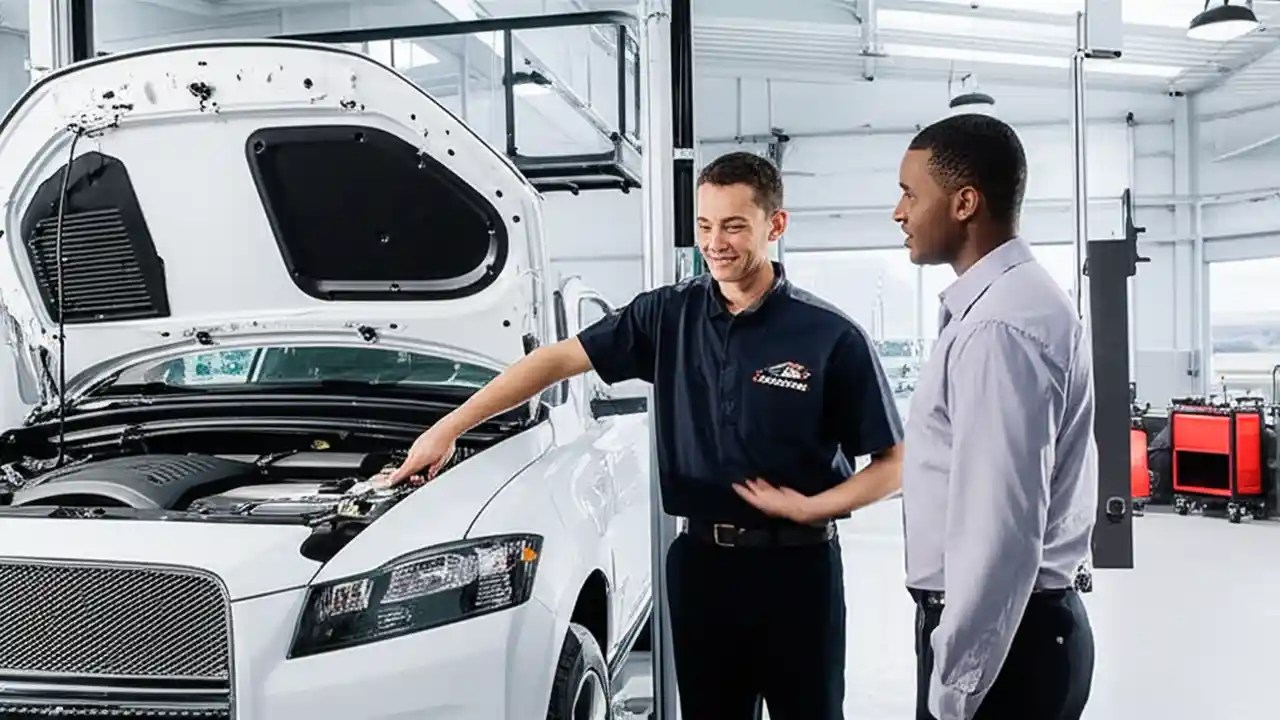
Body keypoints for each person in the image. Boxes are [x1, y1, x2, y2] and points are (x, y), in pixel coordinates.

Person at [384, 151, 905, 719]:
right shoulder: (667, 315)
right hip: (700, 566)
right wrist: (447, 428)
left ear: (774, 226)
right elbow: (555, 361)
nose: (715, 242)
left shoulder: (830, 336)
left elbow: (894, 461)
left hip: (798, 571)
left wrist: (814, 507)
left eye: (734, 225)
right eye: (704, 226)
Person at [892, 113, 1098, 720]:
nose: (899, 213)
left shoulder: (997, 328)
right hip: (1019, 632)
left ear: (965, 202)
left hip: (1006, 651)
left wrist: (956, 691)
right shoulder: (1007, 305)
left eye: (910, 193)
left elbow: (999, 533)